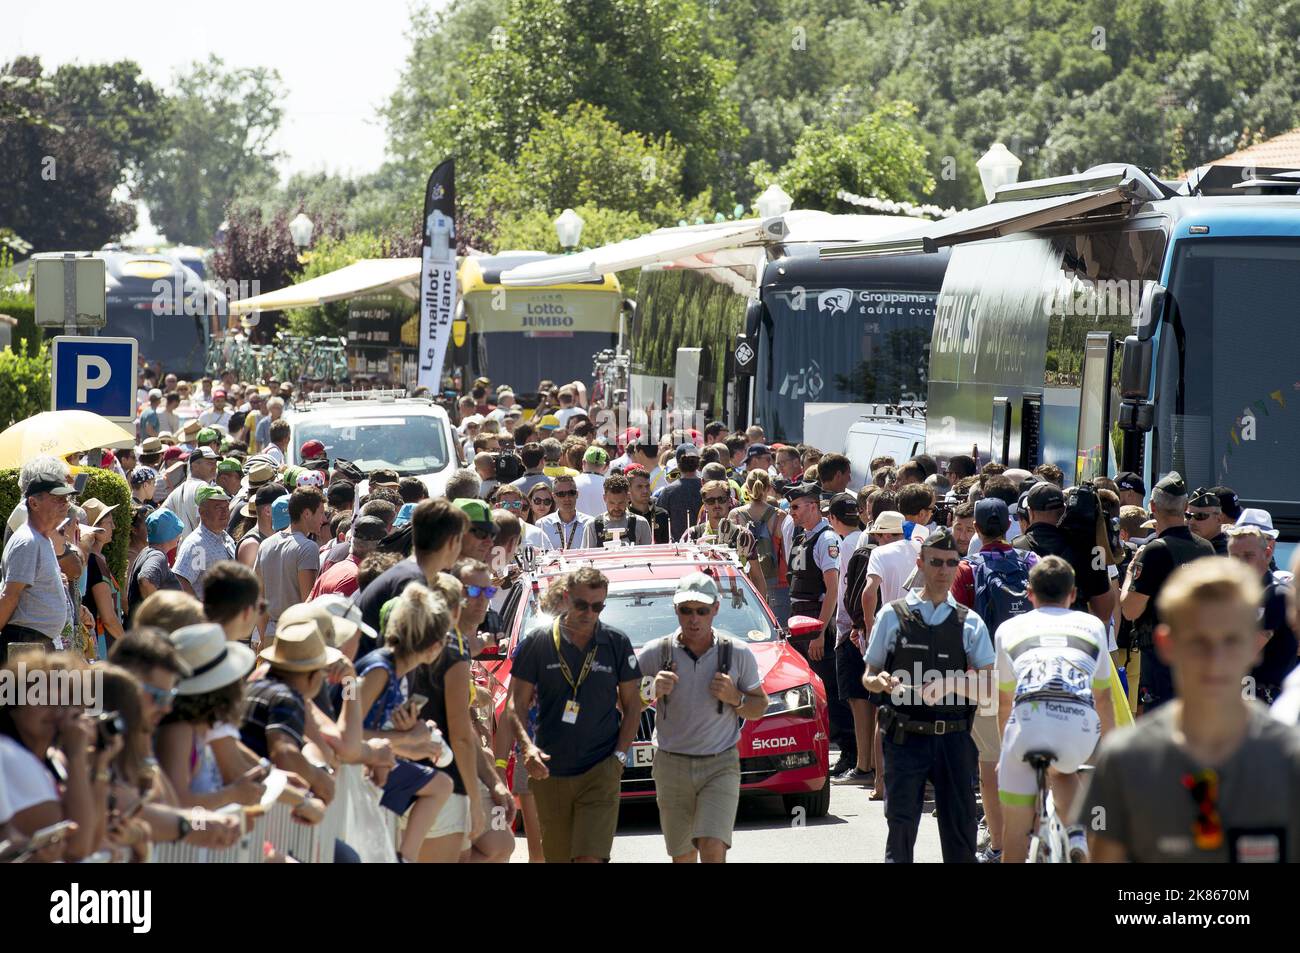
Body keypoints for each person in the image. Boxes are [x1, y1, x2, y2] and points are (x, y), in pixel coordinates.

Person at [1085, 557, 1300, 861]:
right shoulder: (1125, 759)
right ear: (1167, 643)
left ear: (1256, 643)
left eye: (1231, 640)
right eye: (1198, 642)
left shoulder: (1288, 757)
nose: (1215, 659)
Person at [862, 528, 995, 863]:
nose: (943, 570)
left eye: (951, 563)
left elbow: (990, 688)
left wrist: (951, 684)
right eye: (936, 562)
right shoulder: (892, 615)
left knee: (960, 831)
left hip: (955, 738)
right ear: (920, 563)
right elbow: (869, 675)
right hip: (905, 735)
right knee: (901, 827)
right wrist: (883, 682)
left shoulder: (970, 622)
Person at [508, 567, 642, 862]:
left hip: (600, 769)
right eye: (582, 605)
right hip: (550, 771)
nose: (590, 613)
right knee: (558, 856)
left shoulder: (615, 642)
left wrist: (619, 757)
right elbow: (515, 704)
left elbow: (633, 706)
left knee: (589, 857)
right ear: (567, 598)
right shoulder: (539, 642)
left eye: (598, 607)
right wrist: (526, 747)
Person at [638, 572, 768, 862]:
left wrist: (736, 698)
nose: (693, 619)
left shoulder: (737, 653)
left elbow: (760, 706)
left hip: (719, 764)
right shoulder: (654, 653)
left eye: (701, 611)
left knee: (712, 845)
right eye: (686, 611)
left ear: (716, 609)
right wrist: (649, 690)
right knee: (683, 856)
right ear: (676, 610)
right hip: (671, 764)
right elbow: (620, 702)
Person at [994, 557, 1115, 863]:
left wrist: (1003, 752)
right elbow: (1103, 698)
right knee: (1064, 769)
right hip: (1077, 726)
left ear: (1029, 593)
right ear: (1073, 594)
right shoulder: (1092, 625)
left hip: (1027, 725)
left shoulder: (1008, 628)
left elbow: (1004, 702)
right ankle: (1076, 834)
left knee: (1015, 833)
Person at [949, 496, 1037, 861]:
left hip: (985, 676)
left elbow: (955, 625)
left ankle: (1000, 846)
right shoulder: (1031, 561)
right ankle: (1034, 841)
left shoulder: (967, 569)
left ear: (978, 528)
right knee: (1032, 759)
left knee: (990, 762)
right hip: (1031, 669)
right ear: (1012, 524)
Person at [352, 583, 456, 863]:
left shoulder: (394, 671)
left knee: (441, 785)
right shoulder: (379, 669)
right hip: (351, 774)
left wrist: (415, 745)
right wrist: (411, 740)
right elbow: (349, 732)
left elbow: (380, 735)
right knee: (441, 786)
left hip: (372, 767)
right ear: (434, 646)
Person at [1120, 472, 1214, 711]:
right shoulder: (1206, 548)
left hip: (1161, 660)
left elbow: (1130, 609)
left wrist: (1131, 571)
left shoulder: (1154, 552)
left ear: (1152, 507)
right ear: (1185, 506)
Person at [781, 482, 852, 775]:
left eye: (796, 506)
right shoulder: (803, 536)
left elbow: (832, 589)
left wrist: (821, 631)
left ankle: (849, 750)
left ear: (813, 506)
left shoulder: (825, 539)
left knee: (829, 691)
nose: (791, 512)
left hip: (815, 622)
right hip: (801, 620)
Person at [355, 499, 467, 644]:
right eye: (460, 540)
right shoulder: (411, 582)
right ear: (451, 542)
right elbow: (406, 649)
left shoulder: (409, 572)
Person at [0, 457, 76, 654]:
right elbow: (9, 596)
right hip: (25, 643)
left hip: (35, 643)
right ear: (33, 503)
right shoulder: (28, 541)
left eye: (66, 498)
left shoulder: (41, 539)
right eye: (57, 498)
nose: (65, 504)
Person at [1012, 481, 1110, 619]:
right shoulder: (1089, 549)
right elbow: (1104, 610)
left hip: (1030, 633)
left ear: (1030, 513)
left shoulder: (1015, 548)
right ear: (1064, 509)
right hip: (1075, 633)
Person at [826, 493, 872, 785]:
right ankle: (866, 764)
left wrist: (845, 629)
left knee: (857, 700)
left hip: (852, 631)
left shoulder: (847, 544)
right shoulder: (860, 539)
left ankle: (863, 764)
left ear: (832, 519)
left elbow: (846, 593)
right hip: (860, 628)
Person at [1225, 521, 1296, 704]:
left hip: (1269, 701)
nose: (1240, 563)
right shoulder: (1235, 595)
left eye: (1248, 556)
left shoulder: (1275, 595)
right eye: (1234, 556)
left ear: (1267, 554)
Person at [255, 487, 326, 638]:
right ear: (306, 514)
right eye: (321, 513)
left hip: (270, 635)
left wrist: (263, 637)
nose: (324, 519)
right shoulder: (308, 548)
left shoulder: (265, 545)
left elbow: (258, 598)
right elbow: (308, 602)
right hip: (296, 638)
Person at [729, 470, 787, 620]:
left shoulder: (734, 515)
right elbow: (787, 556)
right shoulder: (780, 516)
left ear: (746, 489)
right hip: (776, 586)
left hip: (744, 584)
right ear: (769, 488)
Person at [172, 486, 237, 600]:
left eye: (226, 507)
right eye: (218, 508)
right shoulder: (197, 545)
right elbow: (181, 580)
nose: (224, 512)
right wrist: (199, 609)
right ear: (202, 512)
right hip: (211, 615)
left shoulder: (226, 537)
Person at [80, 499, 126, 655]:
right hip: (101, 645)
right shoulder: (93, 561)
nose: (114, 527)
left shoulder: (98, 559)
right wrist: (127, 644)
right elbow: (108, 618)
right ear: (96, 529)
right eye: (109, 523)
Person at [309, 515, 386, 598]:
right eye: (383, 546)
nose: (385, 552)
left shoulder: (333, 569)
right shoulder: (356, 578)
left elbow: (308, 604)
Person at [583, 473, 652, 547]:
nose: (616, 507)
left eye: (621, 503)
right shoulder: (592, 526)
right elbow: (586, 557)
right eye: (612, 503)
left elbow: (648, 555)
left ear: (628, 498)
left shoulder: (641, 524)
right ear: (604, 498)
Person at [536, 471, 593, 552]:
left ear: (577, 494)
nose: (567, 498)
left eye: (571, 493)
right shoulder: (542, 525)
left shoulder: (590, 523)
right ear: (554, 497)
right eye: (561, 494)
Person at [657, 443, 705, 540]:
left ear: (678, 464)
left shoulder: (668, 491)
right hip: (704, 544)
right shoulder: (707, 488)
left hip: (678, 547)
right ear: (698, 463)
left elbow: (660, 521)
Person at [235, 483, 288, 567]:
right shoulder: (251, 545)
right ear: (268, 511)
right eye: (284, 506)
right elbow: (251, 580)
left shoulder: (281, 536)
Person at [625, 466, 671, 544]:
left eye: (647, 486)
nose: (645, 491)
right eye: (639, 487)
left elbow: (668, 545)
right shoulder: (623, 516)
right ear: (629, 490)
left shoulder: (662, 514)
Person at [1186, 486, 1228, 555]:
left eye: (1200, 516)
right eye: (1188, 515)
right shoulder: (1184, 546)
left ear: (1219, 519)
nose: (1191, 522)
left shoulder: (1227, 552)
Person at [574, 446, 608, 517]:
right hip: (602, 527)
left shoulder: (572, 482)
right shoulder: (610, 484)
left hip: (578, 527)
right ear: (604, 465)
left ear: (583, 462)